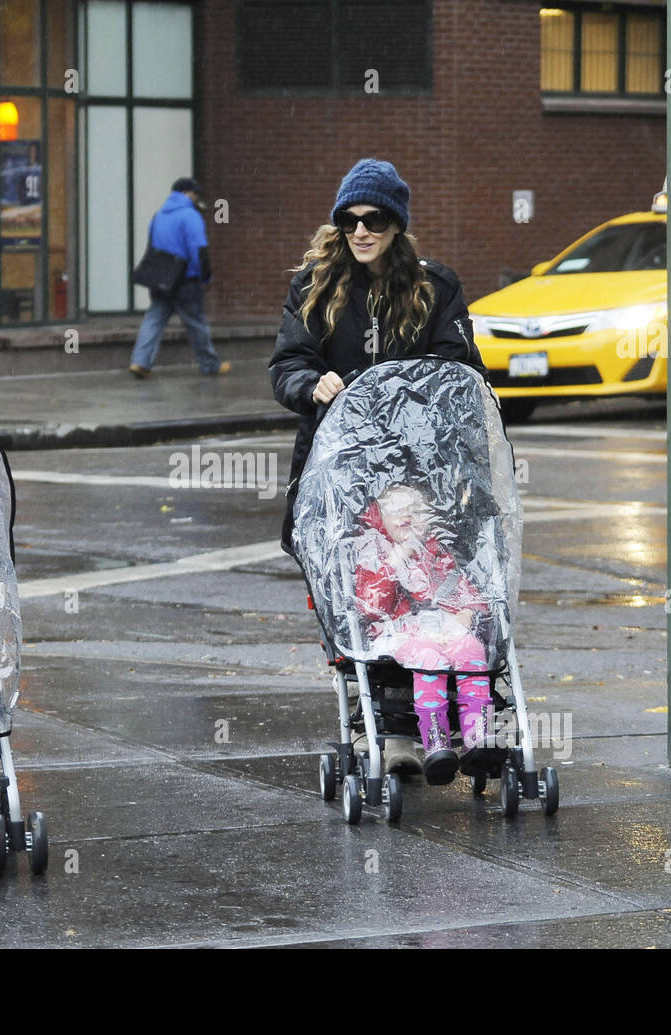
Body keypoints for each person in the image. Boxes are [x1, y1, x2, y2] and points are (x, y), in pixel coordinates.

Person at [270, 157, 488, 776]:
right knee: (363, 591)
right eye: (349, 220)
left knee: (429, 588)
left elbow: (461, 371)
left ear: (397, 225)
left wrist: (418, 402)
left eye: (375, 220)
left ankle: (443, 714)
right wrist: (313, 383)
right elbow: (285, 365)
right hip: (336, 473)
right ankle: (382, 723)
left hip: (416, 474)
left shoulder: (433, 288)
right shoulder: (315, 287)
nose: (361, 231)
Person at [354, 485, 499, 785]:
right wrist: (398, 557)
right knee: (428, 658)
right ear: (380, 517)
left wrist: (468, 612)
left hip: (445, 626)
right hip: (403, 632)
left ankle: (478, 738)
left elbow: (461, 588)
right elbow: (370, 605)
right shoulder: (375, 551)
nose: (408, 516)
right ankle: (436, 744)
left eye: (417, 511)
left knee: (472, 650)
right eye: (398, 510)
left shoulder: (435, 551)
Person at [128, 176, 231, 378]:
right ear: (186, 193)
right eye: (194, 193)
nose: (196, 197)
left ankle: (140, 362)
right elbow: (199, 249)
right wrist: (205, 277)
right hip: (186, 280)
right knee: (196, 323)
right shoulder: (190, 215)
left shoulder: (159, 215)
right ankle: (209, 365)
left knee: (153, 320)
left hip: (162, 279)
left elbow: (152, 247)